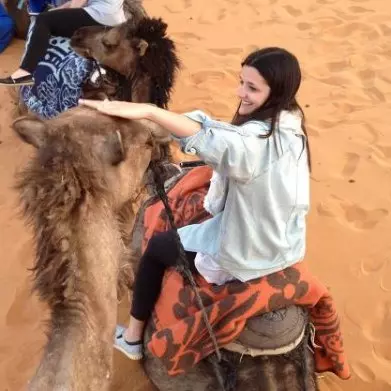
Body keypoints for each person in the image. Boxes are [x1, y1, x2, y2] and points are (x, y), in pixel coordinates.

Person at [80, 47, 311, 360]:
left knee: (157, 248)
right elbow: (223, 134)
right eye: (242, 82)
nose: (240, 92)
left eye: (252, 88)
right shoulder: (292, 126)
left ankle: (133, 338)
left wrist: (149, 112)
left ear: (277, 91)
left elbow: (218, 140)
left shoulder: (251, 146)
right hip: (287, 244)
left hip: (245, 254)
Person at [0, 0, 125, 86]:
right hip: (114, 17)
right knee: (46, 18)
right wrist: (55, 12)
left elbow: (77, 3)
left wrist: (52, 17)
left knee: (44, 21)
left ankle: (25, 71)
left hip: (100, 15)